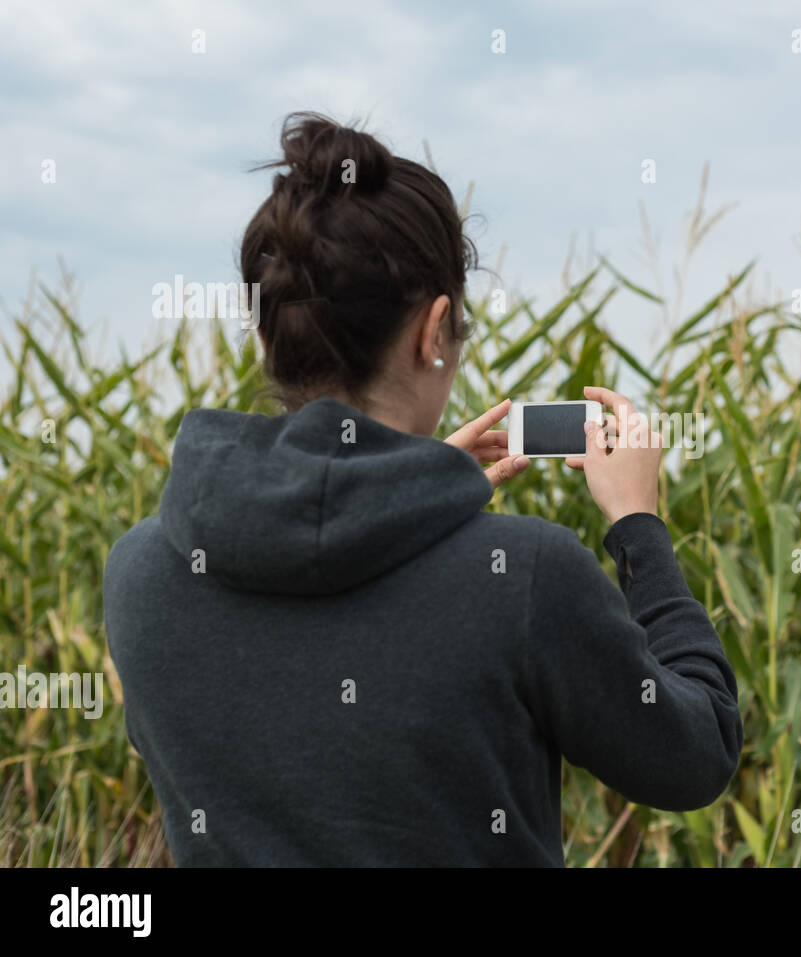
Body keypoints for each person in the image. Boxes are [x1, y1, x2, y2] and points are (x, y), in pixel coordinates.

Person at [103, 112, 743, 866]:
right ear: (433, 331)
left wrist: (408, 491)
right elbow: (697, 750)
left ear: (268, 335)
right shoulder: (527, 576)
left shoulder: (142, 573)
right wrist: (639, 525)